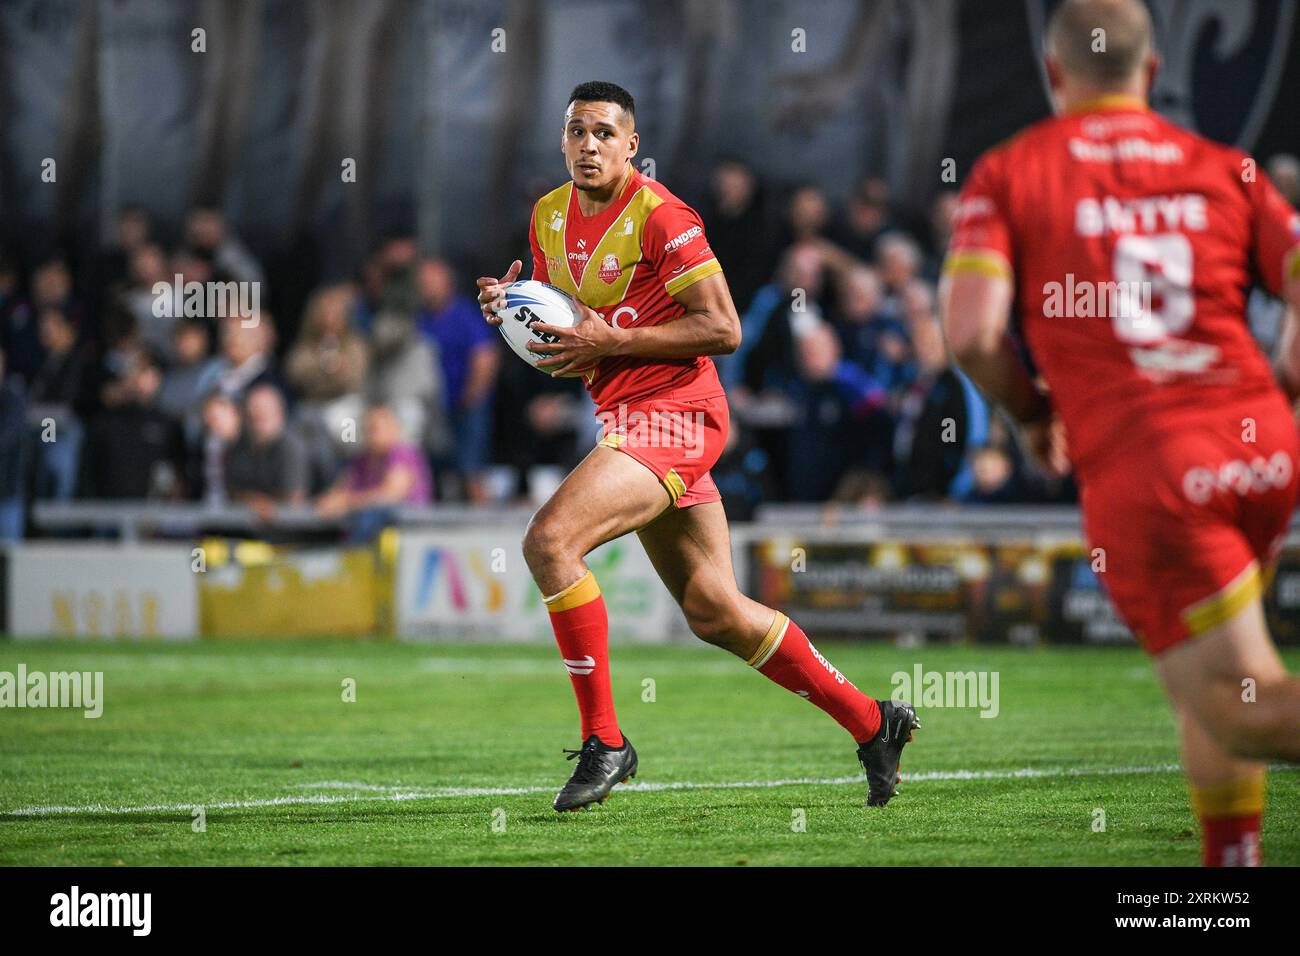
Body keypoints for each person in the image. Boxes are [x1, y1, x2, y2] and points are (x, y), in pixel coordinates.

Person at [477, 81, 918, 813]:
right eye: (578, 131)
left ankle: (606, 742)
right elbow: (573, 327)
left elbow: (724, 328)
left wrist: (614, 340)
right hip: (624, 417)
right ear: (562, 142)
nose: (590, 144)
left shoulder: (663, 215)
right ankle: (875, 724)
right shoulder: (547, 218)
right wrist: (513, 309)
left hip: (679, 414)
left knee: (550, 541)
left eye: (605, 133)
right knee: (714, 610)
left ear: (631, 145)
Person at [940, 0, 1300, 866]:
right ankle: (1231, 871)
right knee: (1212, 675)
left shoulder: (1012, 170)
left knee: (1237, 706)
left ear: (1055, 75)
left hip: (1157, 472)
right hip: (1264, 448)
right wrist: (1287, 380)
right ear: (1150, 73)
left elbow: (973, 334)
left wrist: (1030, 415)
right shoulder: (1225, 166)